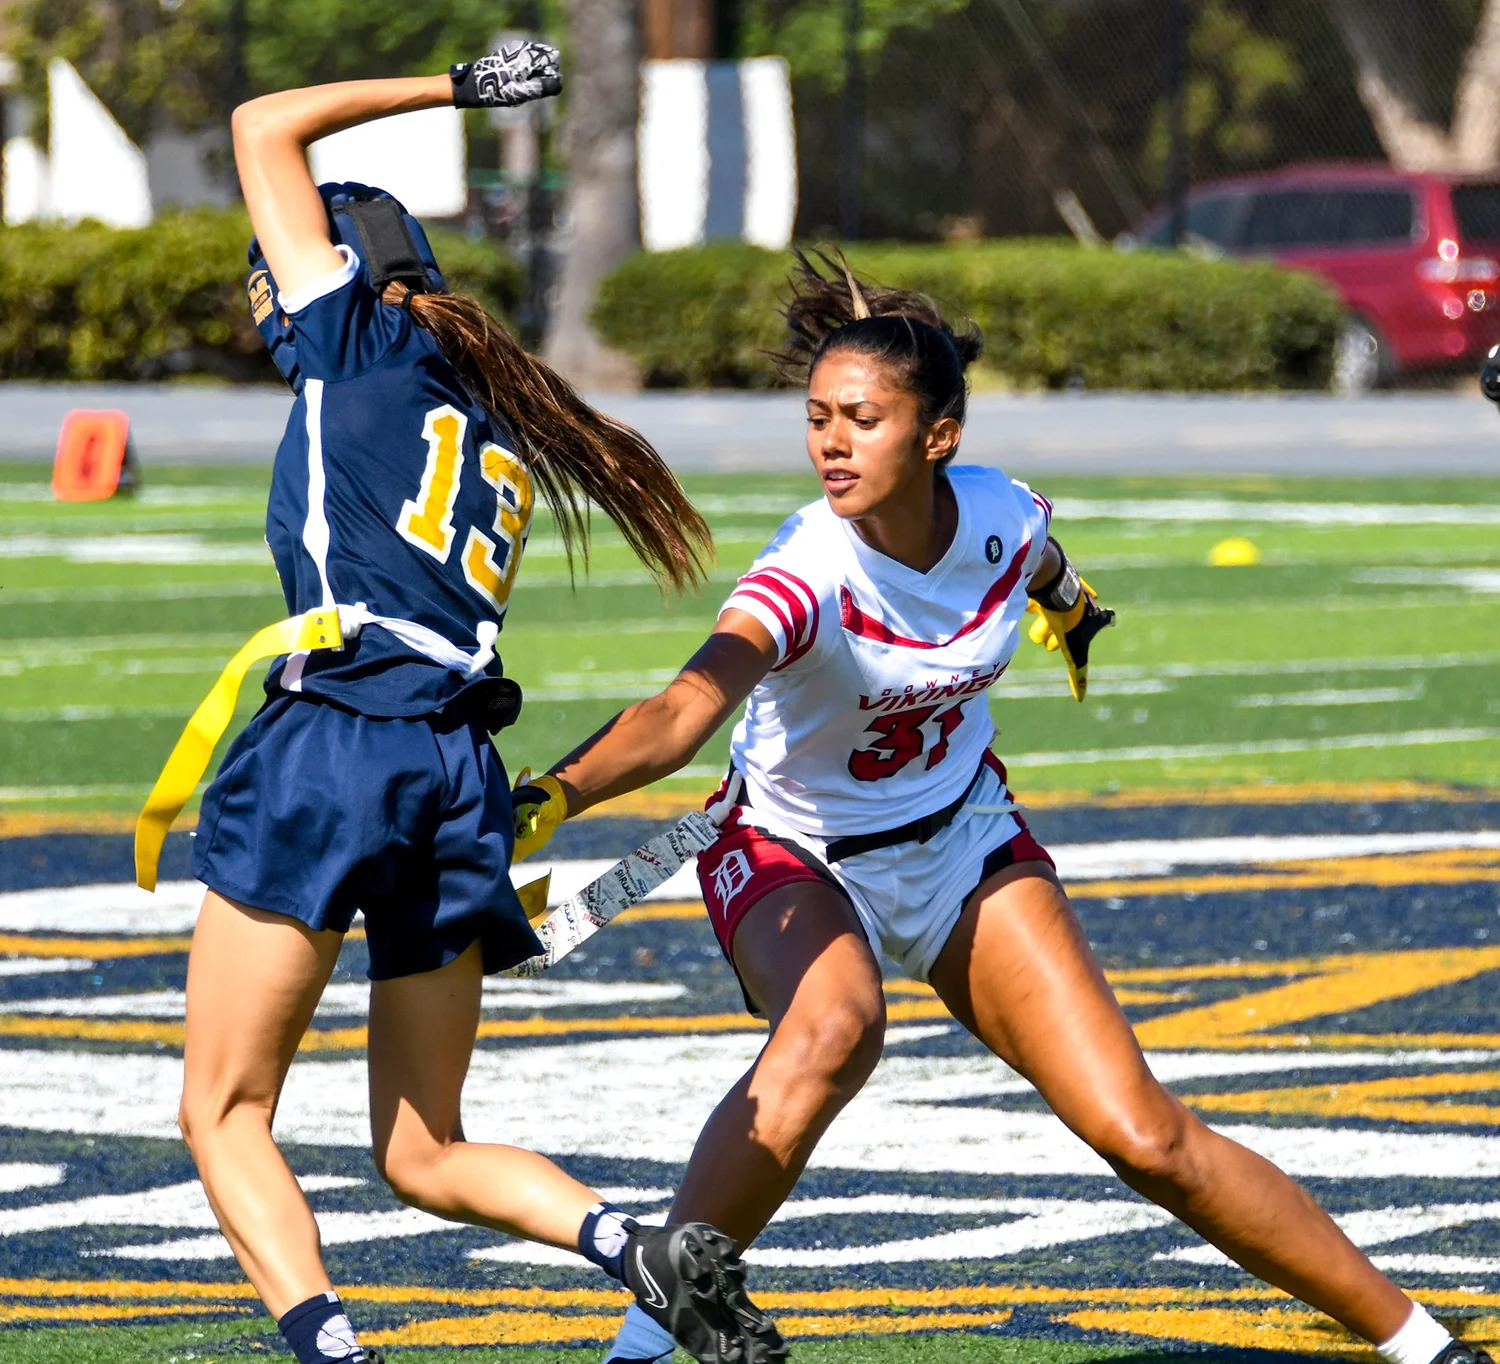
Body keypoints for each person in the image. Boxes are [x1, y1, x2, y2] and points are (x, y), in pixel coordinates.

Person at [511, 250, 1488, 1364]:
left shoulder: (1001, 516)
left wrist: (1076, 611)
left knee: (1145, 1135)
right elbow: (684, 706)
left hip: (965, 840)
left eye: (863, 418)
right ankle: (639, 1345)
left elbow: (1043, 563)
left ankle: (1423, 1346)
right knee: (835, 1026)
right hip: (792, 849)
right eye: (819, 417)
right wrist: (556, 793)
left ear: (939, 438)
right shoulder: (805, 570)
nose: (831, 441)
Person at [167, 45, 784, 1364]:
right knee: (423, 1145)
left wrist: (454, 89)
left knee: (223, 1109)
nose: (263, 293)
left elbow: (263, 121)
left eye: (273, 270)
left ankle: (334, 1353)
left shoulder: (356, 339)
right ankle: (636, 1246)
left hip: (338, 742)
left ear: (337, 268)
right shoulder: (487, 406)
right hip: (456, 778)